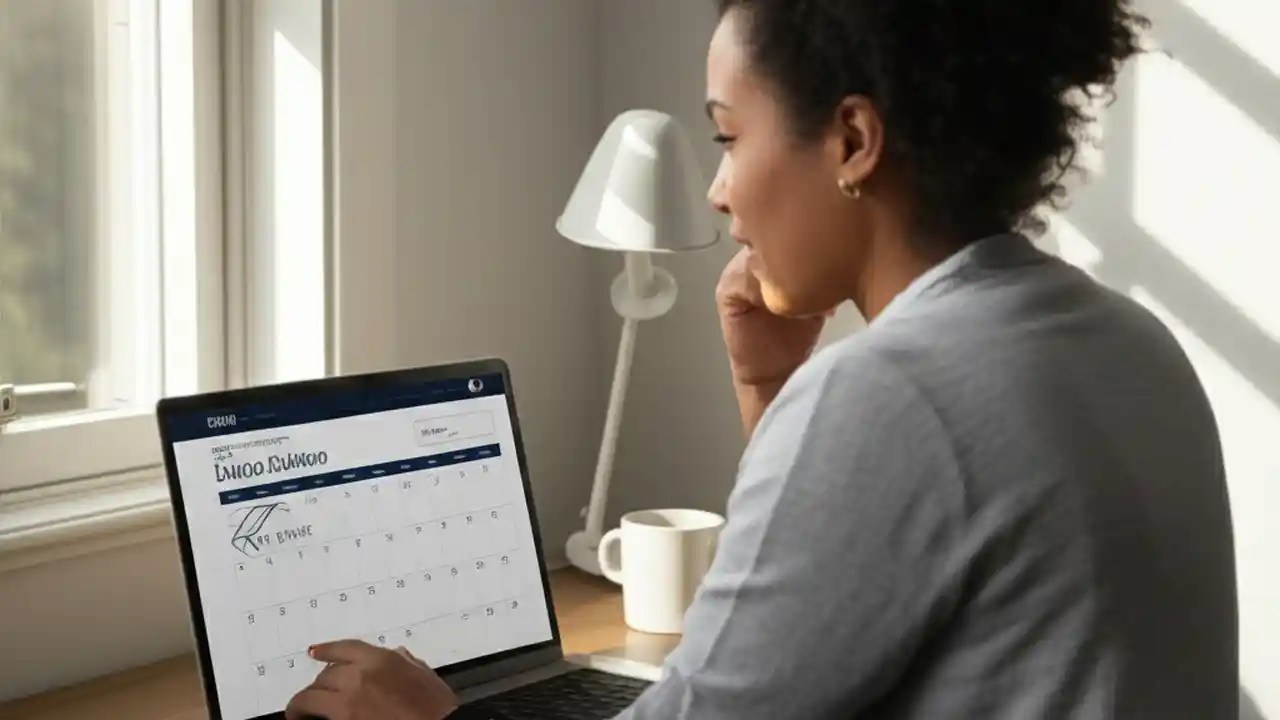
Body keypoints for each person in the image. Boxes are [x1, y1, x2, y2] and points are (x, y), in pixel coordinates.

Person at [286, 0, 1240, 718]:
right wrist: (771, 389)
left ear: (853, 141)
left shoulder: (891, 393)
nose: (718, 191)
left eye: (728, 137)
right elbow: (848, 624)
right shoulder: (1124, 337)